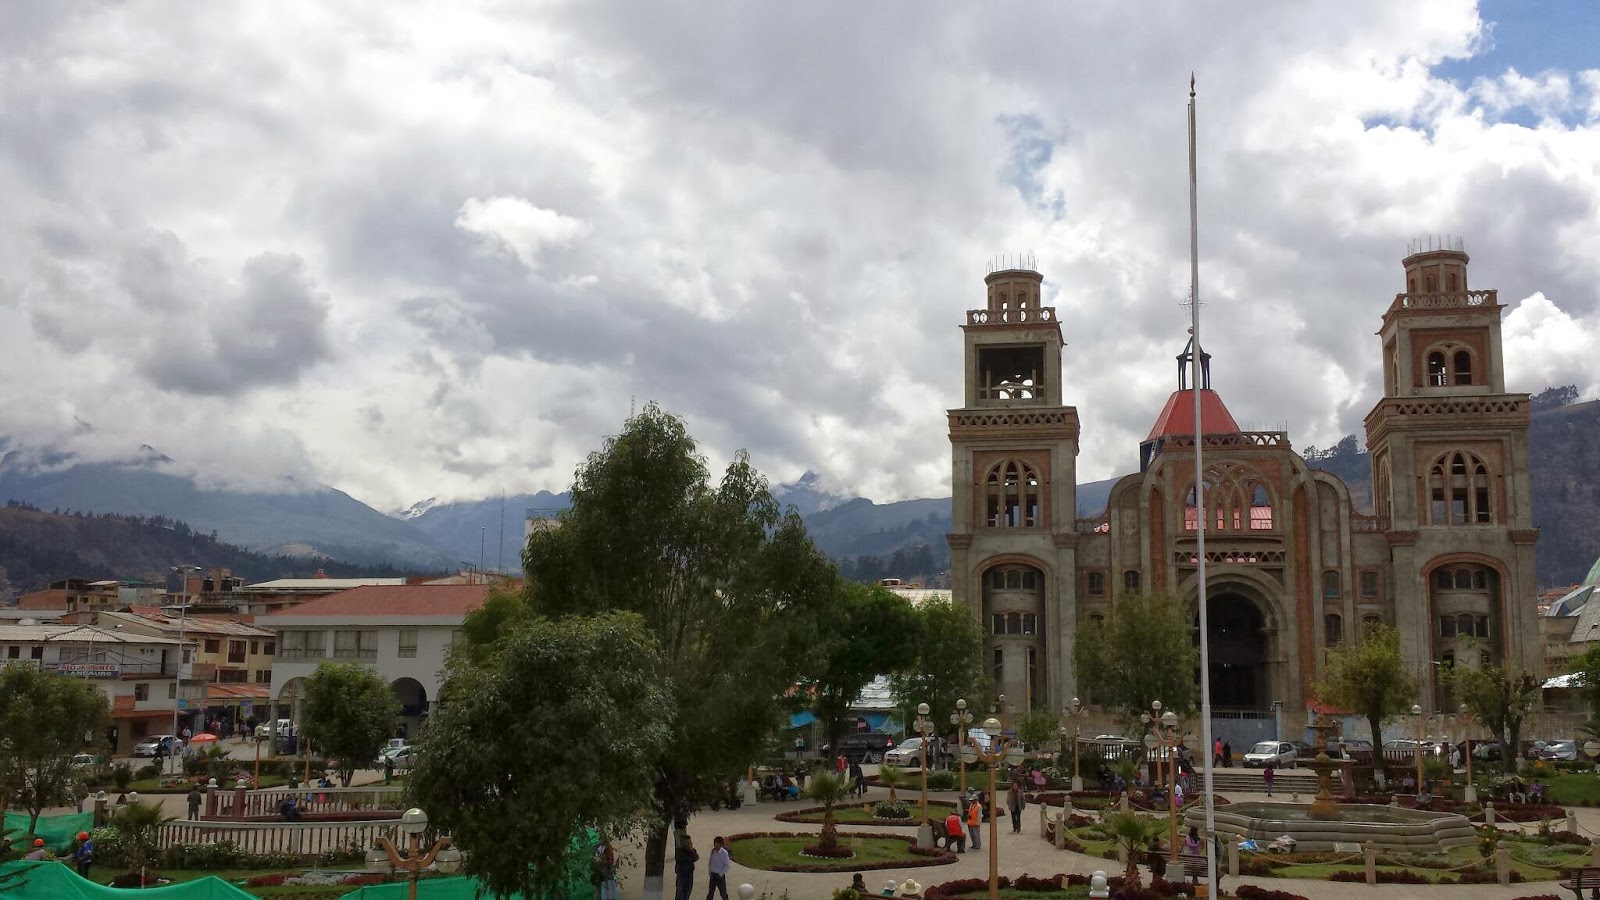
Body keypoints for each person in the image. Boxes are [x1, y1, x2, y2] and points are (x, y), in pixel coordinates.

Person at [705, 835, 730, 900]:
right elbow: (711, 862)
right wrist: (710, 871)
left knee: (723, 893)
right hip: (713, 875)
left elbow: (727, 865)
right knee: (710, 892)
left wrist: (720, 874)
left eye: (717, 843)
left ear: (721, 844)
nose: (715, 845)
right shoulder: (713, 851)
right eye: (715, 843)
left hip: (720, 876)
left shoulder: (724, 853)